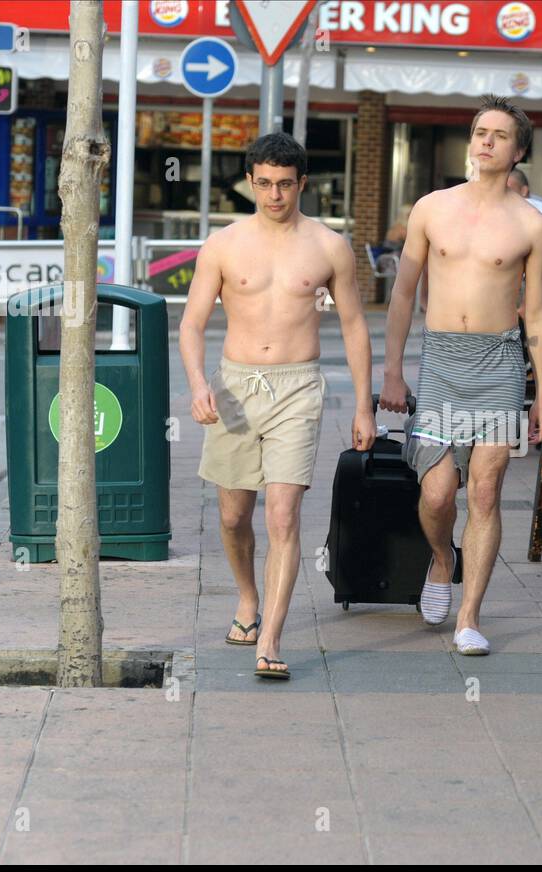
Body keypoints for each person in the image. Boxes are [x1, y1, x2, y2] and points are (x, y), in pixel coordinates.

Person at [179, 132, 377, 679]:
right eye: (264, 184)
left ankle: (271, 638)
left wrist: (365, 407)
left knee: (283, 514)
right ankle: (248, 597)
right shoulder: (222, 245)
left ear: (302, 184)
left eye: (285, 185)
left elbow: (355, 324)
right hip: (235, 387)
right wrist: (198, 384)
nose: (274, 196)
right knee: (233, 515)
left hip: (298, 387)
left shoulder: (329, 245)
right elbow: (192, 323)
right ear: (250, 182)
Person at [380, 94, 542, 656]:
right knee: (437, 494)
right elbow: (403, 292)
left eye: (500, 135)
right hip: (442, 366)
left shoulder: (531, 224)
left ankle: (470, 616)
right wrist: (393, 372)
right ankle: (440, 558)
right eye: (481, 131)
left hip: (500, 364)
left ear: (519, 149)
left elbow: (539, 314)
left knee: (485, 489)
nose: (487, 141)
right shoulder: (432, 207)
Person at [507, 167, 542, 317]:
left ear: (524, 191)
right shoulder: (537, 206)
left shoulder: (531, 209)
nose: (504, 194)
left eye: (509, 189)